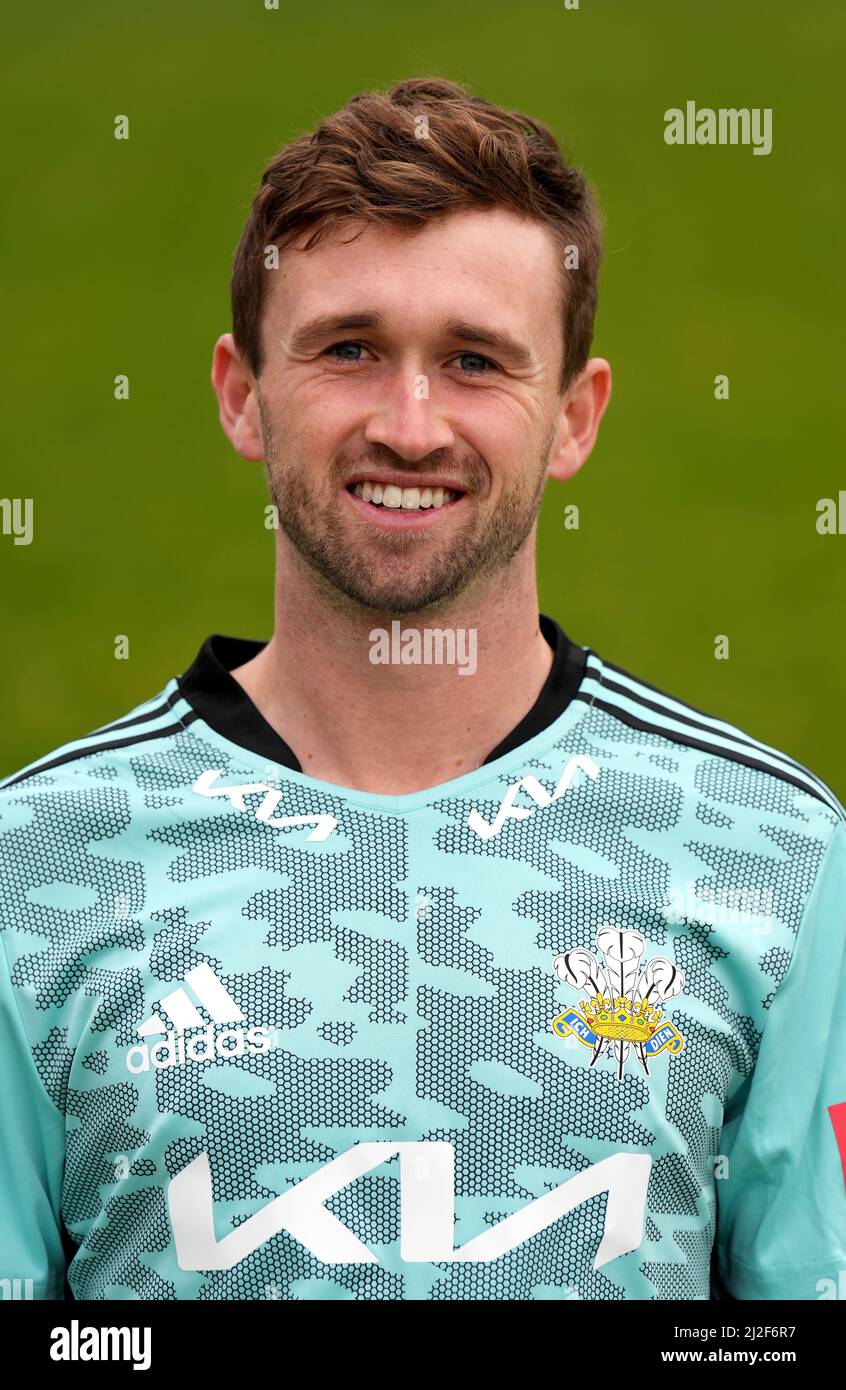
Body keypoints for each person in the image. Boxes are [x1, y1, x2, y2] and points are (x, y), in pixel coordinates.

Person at [1, 77, 844, 1302]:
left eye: (474, 361)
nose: (410, 424)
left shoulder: (777, 861)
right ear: (243, 394)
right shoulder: (32, 872)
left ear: (573, 417)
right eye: (349, 349)